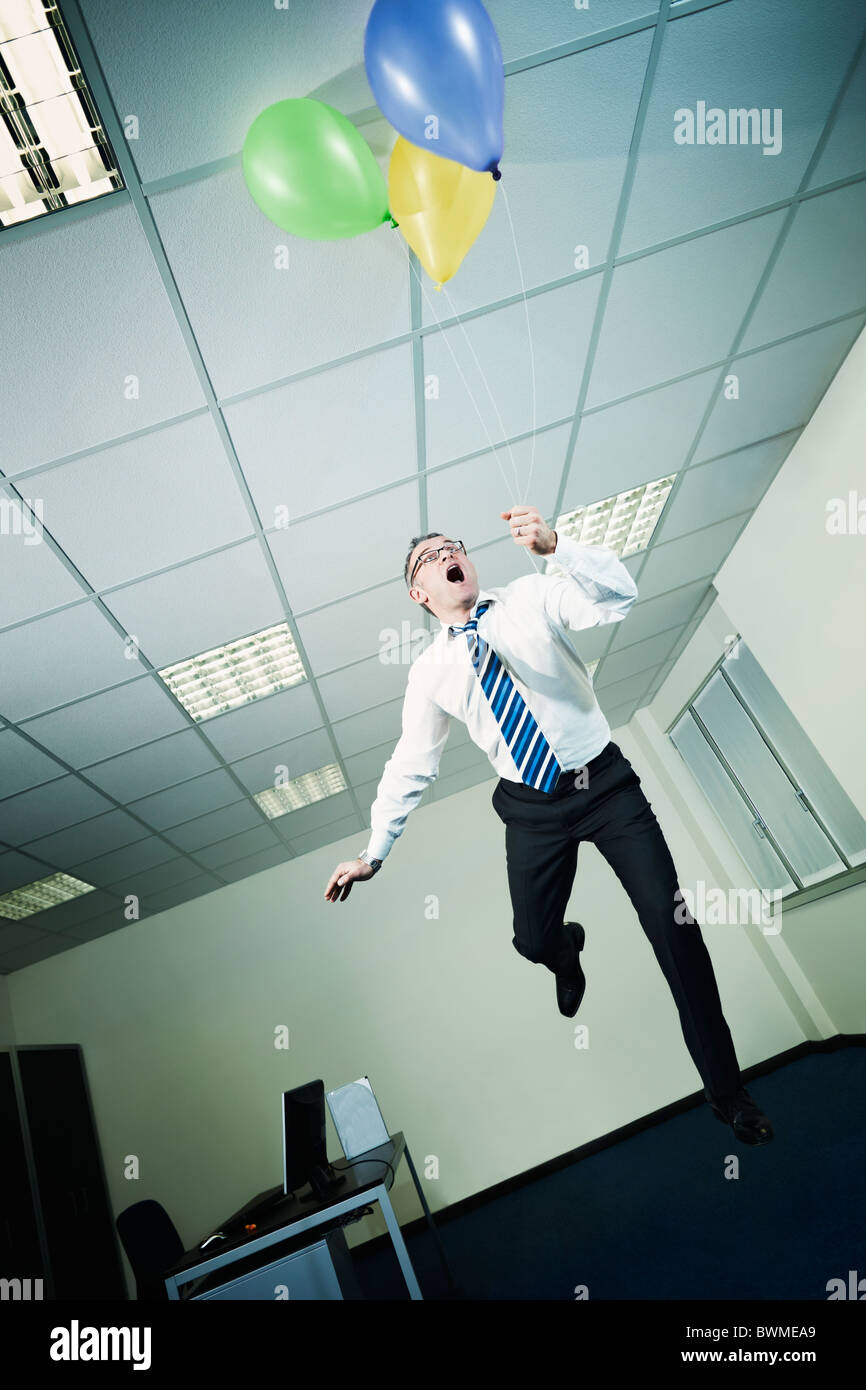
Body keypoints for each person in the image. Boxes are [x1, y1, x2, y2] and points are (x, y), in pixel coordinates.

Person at [323, 504, 773, 1145]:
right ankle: (567, 952)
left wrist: (557, 546)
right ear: (420, 593)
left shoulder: (531, 598)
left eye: (455, 545)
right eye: (430, 557)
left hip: (605, 786)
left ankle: (730, 1096)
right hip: (532, 807)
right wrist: (375, 851)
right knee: (531, 938)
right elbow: (411, 763)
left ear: (468, 562)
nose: (449, 554)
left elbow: (618, 597)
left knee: (676, 931)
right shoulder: (429, 672)